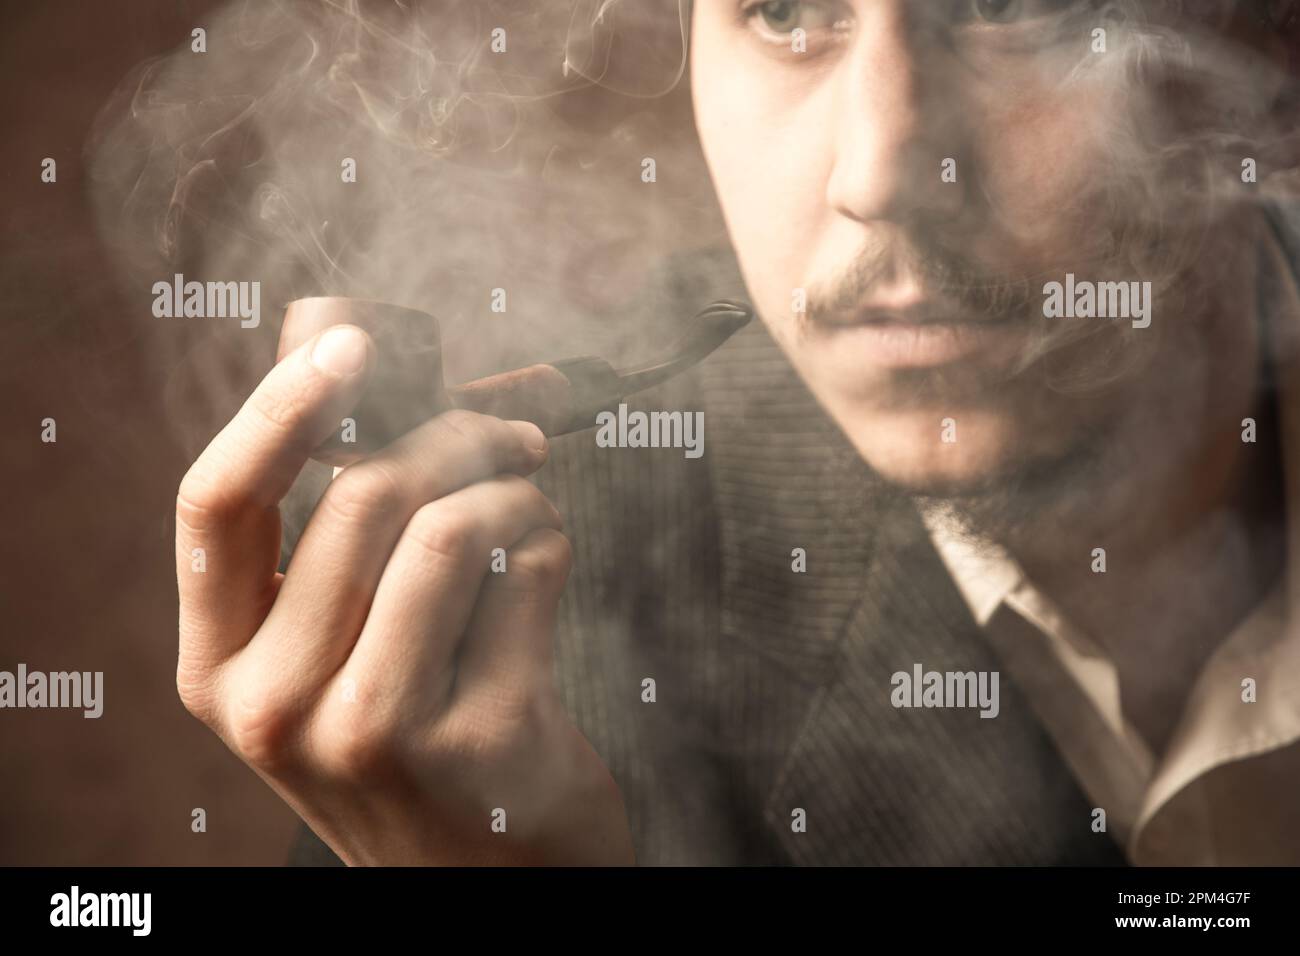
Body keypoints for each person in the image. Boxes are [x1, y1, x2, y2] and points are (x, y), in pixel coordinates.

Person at [171, 0, 1300, 864]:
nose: (881, 173)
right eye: (782, 9)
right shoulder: (528, 602)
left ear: (1265, 54)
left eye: (1011, 6)